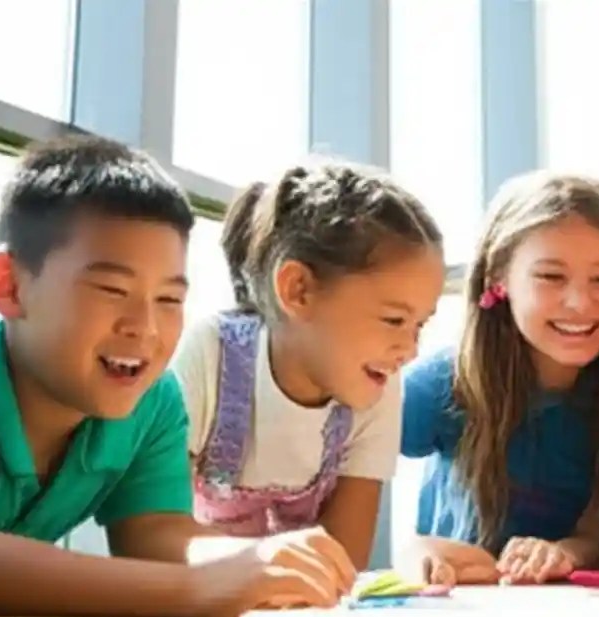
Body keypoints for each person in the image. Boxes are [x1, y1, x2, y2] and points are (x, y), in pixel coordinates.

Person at [0, 136, 355, 617]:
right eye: (111, 289)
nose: (145, 328)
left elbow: (158, 534)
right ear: (10, 285)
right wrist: (197, 589)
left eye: (169, 300)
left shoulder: (152, 401)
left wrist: (259, 562)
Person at [398, 171, 599, 586]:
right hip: (459, 605)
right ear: (498, 277)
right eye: (551, 277)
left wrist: (565, 553)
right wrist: (415, 551)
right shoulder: (446, 383)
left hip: (578, 612)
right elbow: (347, 447)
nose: (579, 302)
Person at [171, 164, 444, 569]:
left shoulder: (378, 385)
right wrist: (259, 568)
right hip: (197, 598)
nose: (409, 349)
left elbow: (345, 559)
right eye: (394, 320)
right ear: (298, 290)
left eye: (420, 325)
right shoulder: (211, 354)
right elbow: (161, 536)